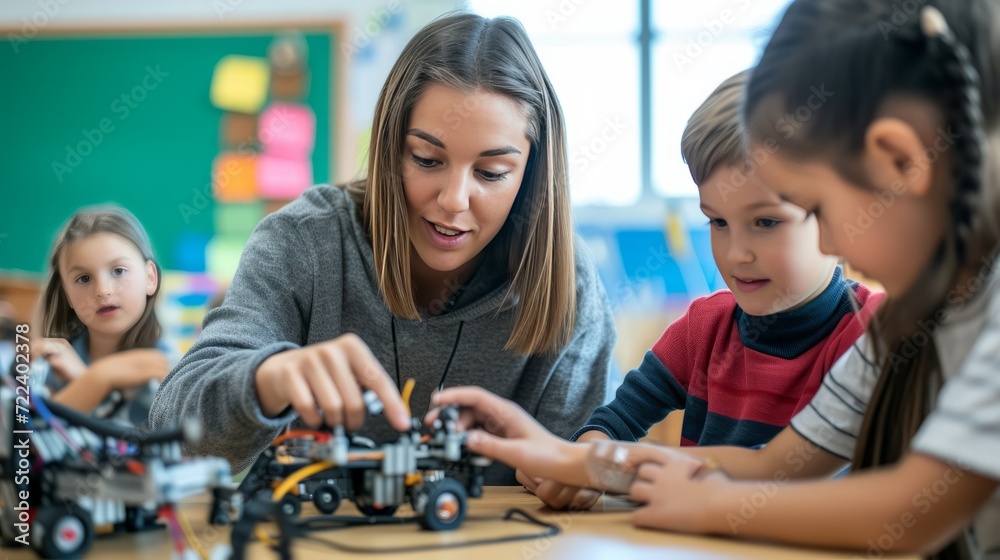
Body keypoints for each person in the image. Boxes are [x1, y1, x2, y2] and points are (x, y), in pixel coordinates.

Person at [433, 0, 1000, 557]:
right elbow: (772, 465)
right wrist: (567, 458)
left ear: (901, 162)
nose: (830, 243)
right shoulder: (904, 326)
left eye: (817, 209)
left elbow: (912, 511)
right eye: (718, 222)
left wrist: (712, 508)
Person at [149, 13, 617, 485]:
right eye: (427, 159)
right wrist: (267, 378)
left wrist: (579, 474)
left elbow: (585, 473)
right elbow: (177, 435)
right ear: (391, 148)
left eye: (491, 173)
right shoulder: (303, 242)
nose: (454, 199)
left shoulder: (566, 282)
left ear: (532, 174)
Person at [520, 70, 881, 510]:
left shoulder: (869, 335)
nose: (736, 254)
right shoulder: (703, 328)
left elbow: (775, 476)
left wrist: (612, 466)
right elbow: (615, 422)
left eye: (766, 222)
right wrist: (581, 460)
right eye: (718, 222)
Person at [34, 206, 170, 425]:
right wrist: (90, 379)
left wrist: (95, 379)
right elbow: (28, 442)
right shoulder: (55, 364)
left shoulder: (167, 365)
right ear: (67, 295)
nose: (102, 290)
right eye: (84, 278)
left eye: (118, 271)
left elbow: (133, 442)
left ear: (150, 278)